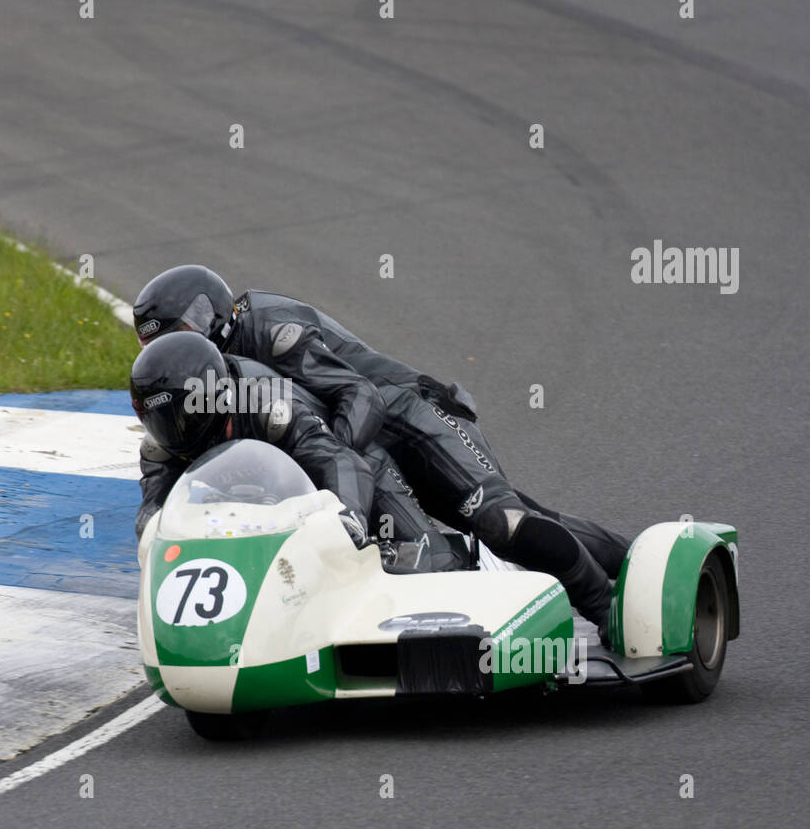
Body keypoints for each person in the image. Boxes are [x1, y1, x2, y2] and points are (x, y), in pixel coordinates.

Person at [132, 265, 629, 642]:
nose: (172, 353)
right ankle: (626, 558)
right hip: (339, 439)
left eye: (176, 337)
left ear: (207, 318)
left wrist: (333, 487)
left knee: (502, 521)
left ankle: (608, 610)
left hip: (400, 414)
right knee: (409, 550)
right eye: (154, 344)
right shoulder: (193, 396)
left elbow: (360, 395)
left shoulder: (272, 335)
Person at [130, 331, 464, 574]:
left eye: (183, 414)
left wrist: (346, 521)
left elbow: (341, 461)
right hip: (268, 516)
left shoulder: (268, 409)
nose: (175, 429)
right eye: (159, 419)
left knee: (434, 561)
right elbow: (151, 516)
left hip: (356, 471)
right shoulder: (159, 449)